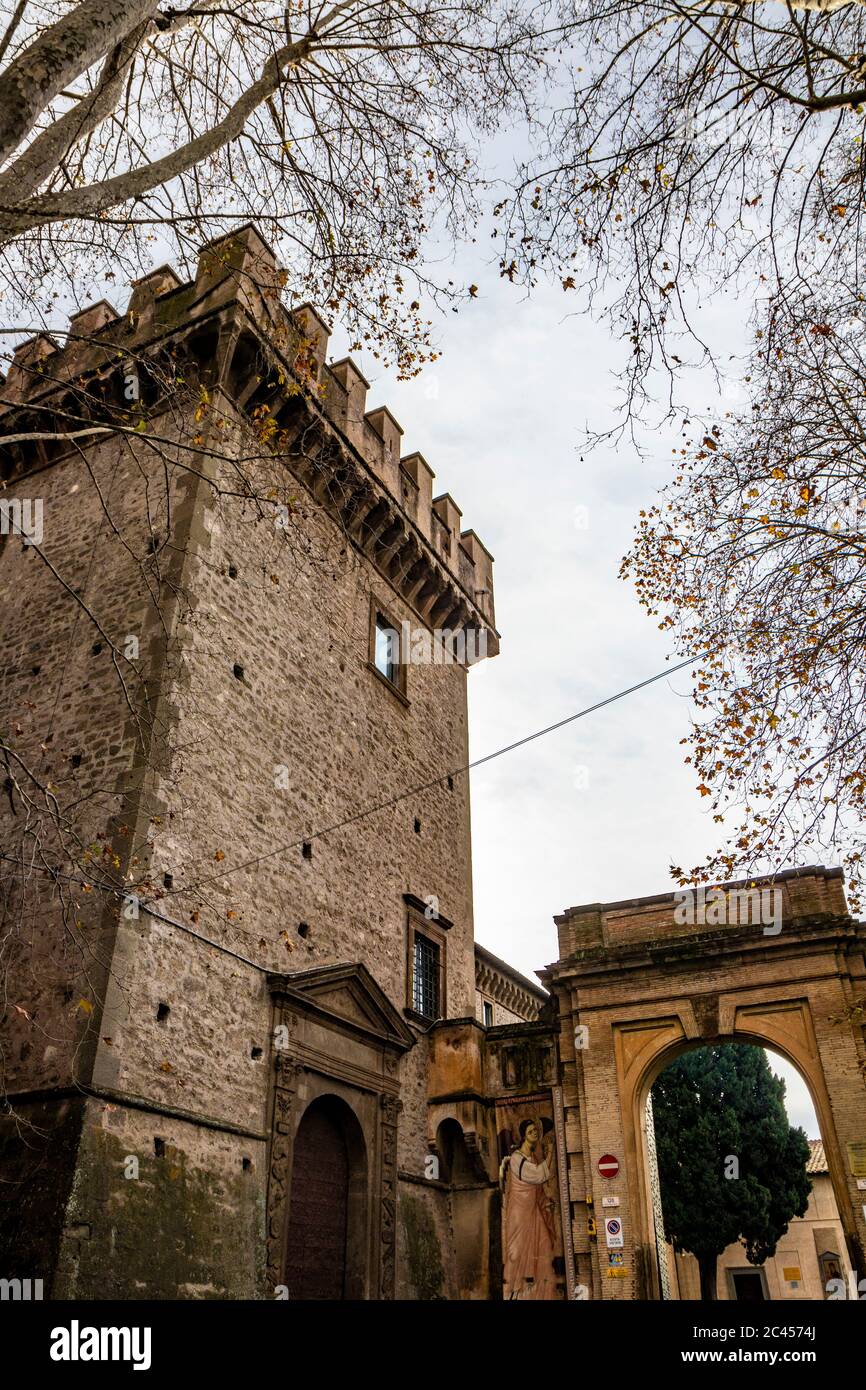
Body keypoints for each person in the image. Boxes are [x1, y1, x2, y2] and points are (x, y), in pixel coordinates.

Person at [500, 1118, 557, 1299]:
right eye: (531, 1131)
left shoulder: (532, 1158)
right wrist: (550, 1154)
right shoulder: (518, 1159)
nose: (535, 1133)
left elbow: (538, 1188)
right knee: (516, 1254)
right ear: (524, 1135)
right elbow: (538, 1175)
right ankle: (513, 1293)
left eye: (536, 1131)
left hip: (533, 1212)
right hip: (519, 1213)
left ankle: (538, 1294)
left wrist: (546, 1202)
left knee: (545, 1248)